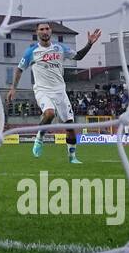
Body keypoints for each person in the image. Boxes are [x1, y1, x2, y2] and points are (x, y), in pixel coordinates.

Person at [7, 22, 101, 165]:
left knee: (70, 126)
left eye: (47, 29)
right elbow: (19, 69)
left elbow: (78, 56)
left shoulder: (60, 48)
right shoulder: (31, 51)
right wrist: (13, 88)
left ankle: (72, 157)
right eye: (41, 29)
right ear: (37, 32)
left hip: (60, 91)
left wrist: (89, 44)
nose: (45, 31)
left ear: (51, 31)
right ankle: (39, 137)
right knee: (49, 113)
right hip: (42, 90)